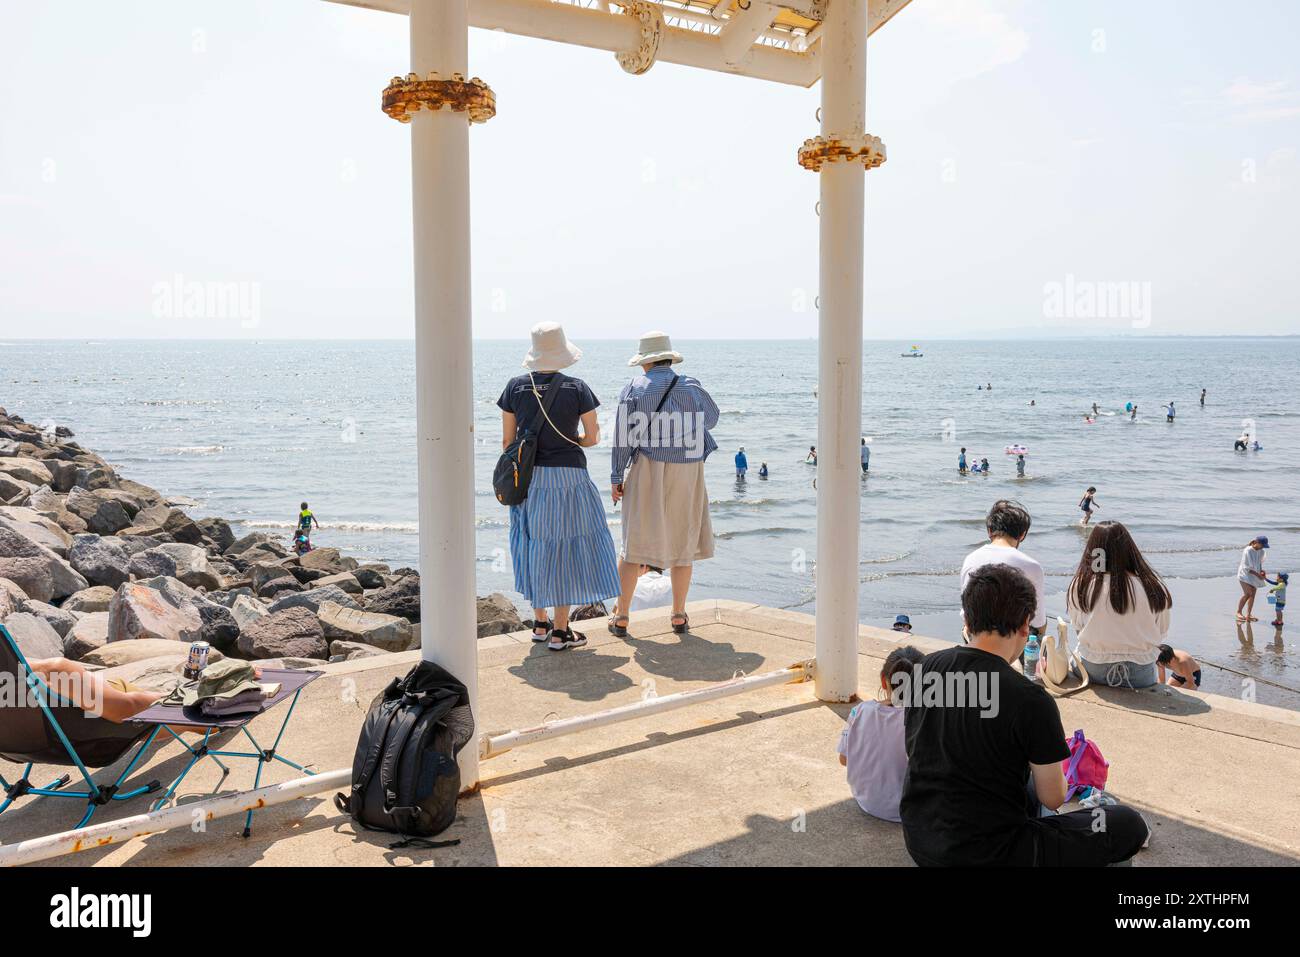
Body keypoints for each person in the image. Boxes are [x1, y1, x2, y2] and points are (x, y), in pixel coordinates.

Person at [900, 564, 1150, 866]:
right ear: (1023, 625)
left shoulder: (923, 670)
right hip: (995, 853)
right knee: (1124, 823)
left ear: (967, 619)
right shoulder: (1029, 698)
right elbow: (1054, 798)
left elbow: (918, 749)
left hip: (922, 839)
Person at [498, 322, 620, 651]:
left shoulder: (514, 388)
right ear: (562, 351)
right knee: (564, 547)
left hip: (530, 480)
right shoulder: (577, 388)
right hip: (569, 477)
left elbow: (508, 442)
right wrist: (572, 439)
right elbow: (592, 438)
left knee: (533, 543)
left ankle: (539, 623)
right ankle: (561, 631)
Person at [609, 331, 719, 638]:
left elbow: (622, 437)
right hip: (688, 468)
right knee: (683, 542)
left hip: (647, 467)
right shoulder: (692, 386)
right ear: (669, 358)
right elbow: (712, 419)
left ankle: (622, 616)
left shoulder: (633, 389)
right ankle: (679, 615)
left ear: (644, 362)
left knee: (633, 545)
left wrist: (616, 477)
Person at [1066, 521, 1171, 688]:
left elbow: (1078, 625)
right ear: (1130, 550)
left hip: (1092, 668)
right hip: (1140, 673)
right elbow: (1161, 632)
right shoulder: (1153, 586)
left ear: (1093, 551)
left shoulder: (1082, 584)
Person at [838, 645, 924, 822]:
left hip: (866, 800)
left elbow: (844, 759)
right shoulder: (922, 721)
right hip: (906, 809)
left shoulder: (859, 711)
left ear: (884, 681)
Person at [960, 500, 1047, 649]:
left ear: (989, 530)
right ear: (1022, 535)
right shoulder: (1032, 566)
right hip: (1013, 640)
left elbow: (966, 611)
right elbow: (1038, 621)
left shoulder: (971, 559)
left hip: (977, 637)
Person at [1236, 535, 1270, 623]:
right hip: (1245, 574)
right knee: (1248, 593)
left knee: (1253, 595)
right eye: (1262, 545)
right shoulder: (1248, 550)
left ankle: (1248, 614)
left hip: (1255, 573)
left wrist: (1261, 571)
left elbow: (1259, 563)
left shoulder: (1261, 551)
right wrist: (1258, 575)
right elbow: (1248, 568)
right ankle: (1238, 612)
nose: (1263, 547)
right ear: (1257, 543)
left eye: (1264, 546)